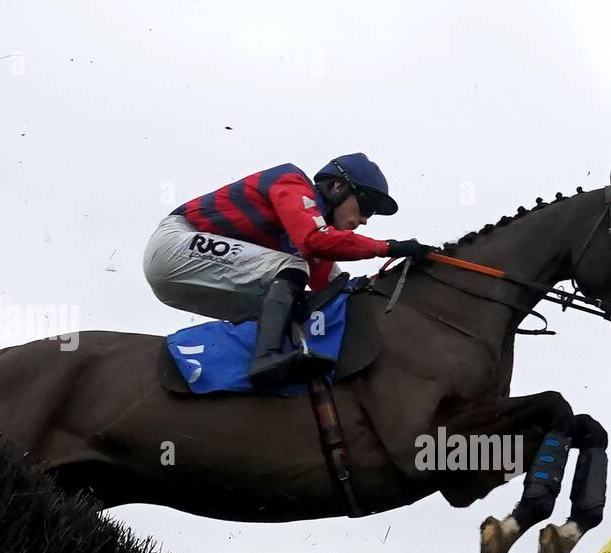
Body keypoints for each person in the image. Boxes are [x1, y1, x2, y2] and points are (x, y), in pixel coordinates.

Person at [143, 153, 436, 387]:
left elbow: (334, 291)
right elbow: (316, 239)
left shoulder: (307, 235)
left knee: (295, 305)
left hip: (183, 280)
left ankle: (250, 373)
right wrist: (391, 247)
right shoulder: (292, 181)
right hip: (175, 244)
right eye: (366, 206)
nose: (365, 220)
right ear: (337, 187)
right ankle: (266, 359)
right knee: (292, 268)